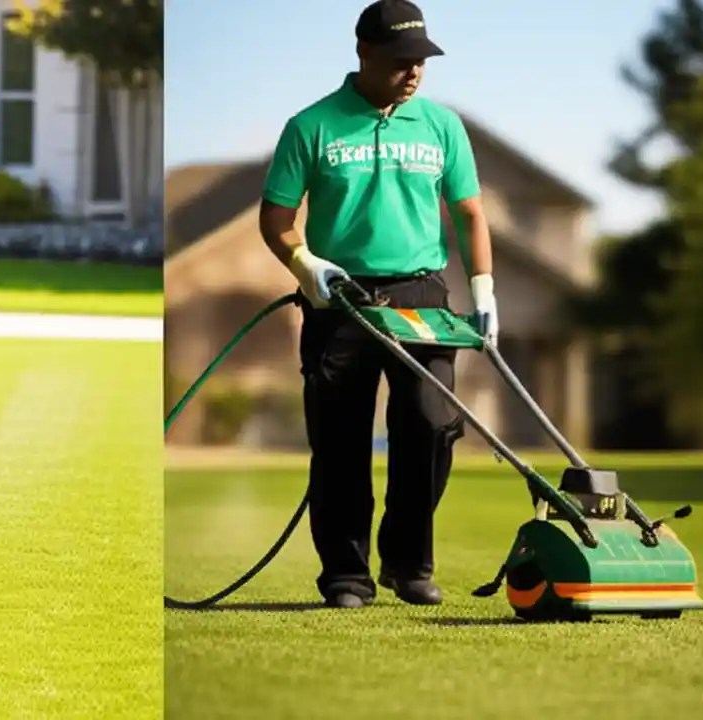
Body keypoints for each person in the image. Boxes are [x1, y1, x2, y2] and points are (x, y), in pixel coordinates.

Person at [259, 0, 497, 609]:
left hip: (422, 295)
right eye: (400, 60)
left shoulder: (442, 125)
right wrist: (304, 264)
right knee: (339, 439)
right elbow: (276, 218)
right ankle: (346, 574)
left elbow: (470, 213)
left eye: (421, 60)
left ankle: (408, 563)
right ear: (364, 53)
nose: (413, 71)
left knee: (432, 423)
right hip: (340, 297)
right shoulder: (311, 125)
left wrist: (484, 291)